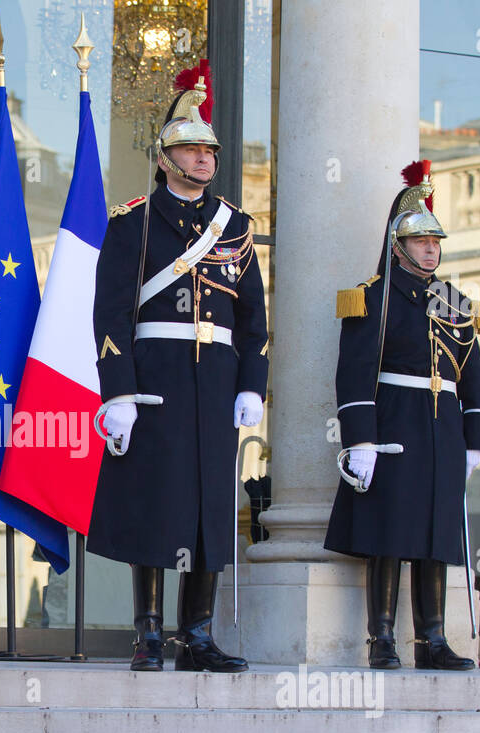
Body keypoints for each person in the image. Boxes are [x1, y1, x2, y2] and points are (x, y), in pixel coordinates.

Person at [88, 62, 268, 673]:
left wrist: (253, 385)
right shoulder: (132, 222)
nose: (203, 158)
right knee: (154, 502)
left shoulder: (236, 228)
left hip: (215, 380)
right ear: (165, 157)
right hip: (154, 377)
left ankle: (197, 635)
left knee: (209, 508)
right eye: (190, 148)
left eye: (209, 149)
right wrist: (118, 393)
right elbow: (110, 315)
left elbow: (254, 321)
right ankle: (148, 633)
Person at [324, 160, 480, 670]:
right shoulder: (371, 297)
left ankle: (432, 642)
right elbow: (354, 372)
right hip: (394, 421)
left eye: (436, 242)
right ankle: (382, 639)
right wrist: (360, 440)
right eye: (422, 242)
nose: (431, 249)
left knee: (435, 535)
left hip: (441, 425)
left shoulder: (455, 303)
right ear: (399, 245)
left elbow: (474, 376)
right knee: (390, 534)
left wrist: (474, 438)